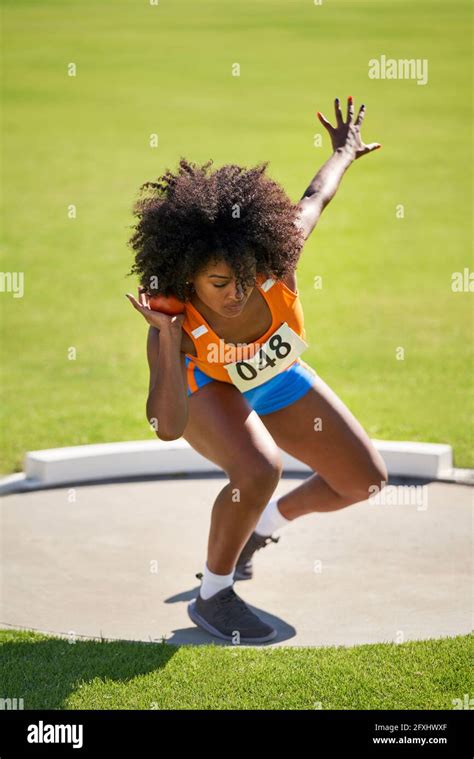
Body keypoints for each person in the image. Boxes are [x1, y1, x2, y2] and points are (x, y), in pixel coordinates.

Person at [126, 96, 388, 644]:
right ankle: (214, 593)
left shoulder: (276, 263)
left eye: (241, 279)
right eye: (218, 284)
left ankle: (260, 529)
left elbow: (316, 196)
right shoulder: (174, 318)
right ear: (187, 277)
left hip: (269, 377)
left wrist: (343, 152)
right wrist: (168, 335)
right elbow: (166, 427)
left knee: (364, 482)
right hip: (207, 384)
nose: (235, 293)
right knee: (258, 469)